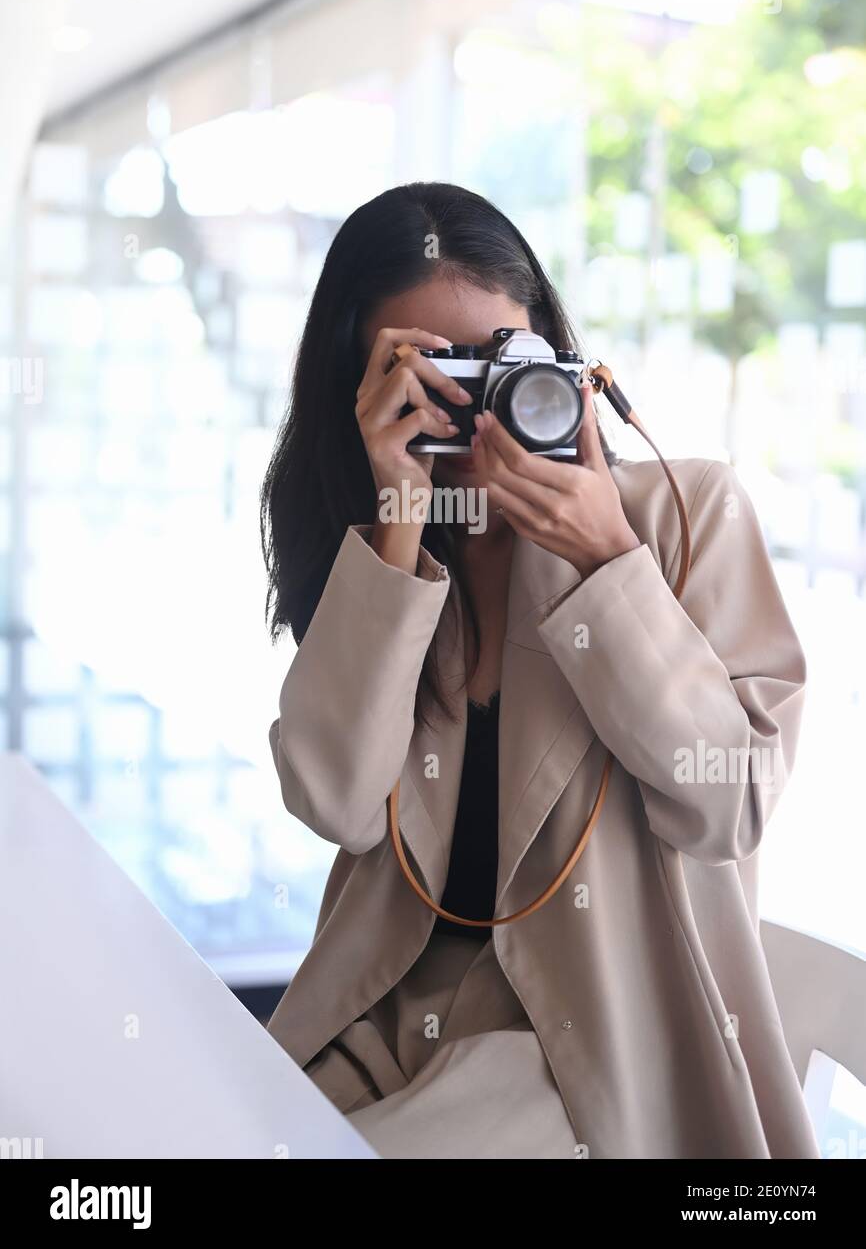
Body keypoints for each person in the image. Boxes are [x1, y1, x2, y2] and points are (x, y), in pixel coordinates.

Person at [260, 182, 820, 1160]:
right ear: (358, 390)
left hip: (581, 1050)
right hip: (385, 1018)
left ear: (559, 358)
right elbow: (337, 801)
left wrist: (607, 566)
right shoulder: (388, 551)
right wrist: (398, 518)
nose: (477, 409)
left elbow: (724, 805)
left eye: (496, 363)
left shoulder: (682, 517)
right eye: (432, 375)